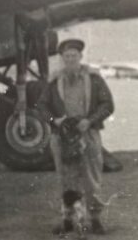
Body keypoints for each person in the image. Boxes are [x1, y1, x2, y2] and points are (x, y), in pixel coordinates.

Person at [37, 38, 114, 235]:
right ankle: (68, 220)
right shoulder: (55, 81)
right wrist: (55, 121)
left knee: (91, 178)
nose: (70, 59)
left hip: (88, 134)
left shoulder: (94, 79)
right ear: (62, 59)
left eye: (74, 56)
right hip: (61, 136)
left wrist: (90, 120)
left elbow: (107, 105)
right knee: (66, 178)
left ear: (80, 57)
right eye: (66, 56)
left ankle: (95, 219)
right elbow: (42, 106)